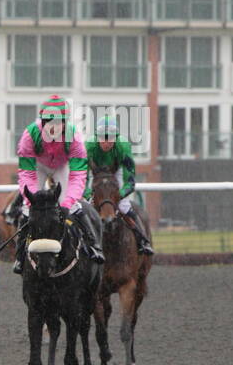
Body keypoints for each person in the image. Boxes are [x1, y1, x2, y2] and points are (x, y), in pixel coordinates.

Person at [13, 95, 105, 274]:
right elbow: (26, 173)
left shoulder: (74, 137)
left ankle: (94, 245)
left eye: (58, 122)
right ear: (43, 121)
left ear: (65, 123)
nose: (53, 127)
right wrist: (33, 199)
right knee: (27, 208)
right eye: (49, 122)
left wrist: (68, 202)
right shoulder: (30, 134)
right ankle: (19, 256)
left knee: (75, 206)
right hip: (38, 167)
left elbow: (78, 174)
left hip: (62, 166)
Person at [85, 115, 154, 255]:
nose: (107, 142)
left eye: (110, 138)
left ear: (116, 138)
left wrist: (119, 195)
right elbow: (81, 177)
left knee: (124, 206)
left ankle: (142, 240)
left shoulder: (123, 146)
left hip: (116, 171)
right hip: (95, 172)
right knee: (86, 206)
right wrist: (88, 194)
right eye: (103, 138)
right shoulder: (88, 146)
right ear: (97, 137)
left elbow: (130, 181)